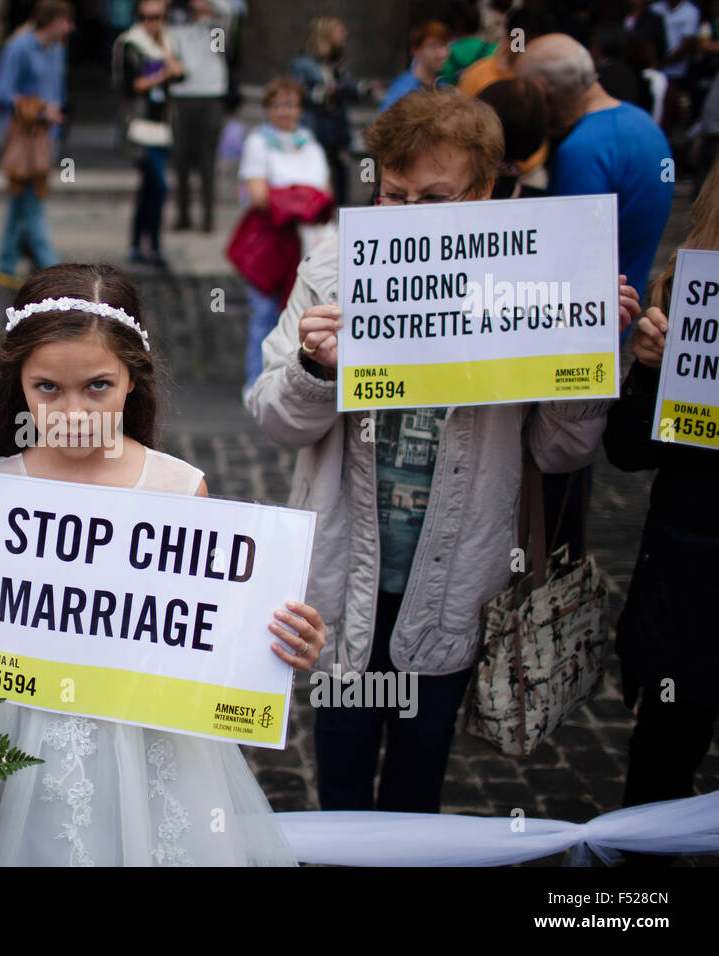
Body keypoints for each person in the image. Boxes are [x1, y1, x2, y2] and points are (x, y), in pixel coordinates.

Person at [246, 90, 624, 814]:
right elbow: (274, 418)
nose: (411, 216)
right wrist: (316, 369)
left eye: (436, 197)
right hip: (343, 581)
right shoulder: (331, 266)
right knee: (342, 773)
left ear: (484, 190)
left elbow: (561, 449)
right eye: (395, 195)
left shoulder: (530, 278)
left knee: (419, 781)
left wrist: (587, 358)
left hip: (458, 584)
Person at [0, 262, 325, 865]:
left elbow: (207, 631)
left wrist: (284, 646)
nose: (73, 412)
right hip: (21, 739)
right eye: (46, 389)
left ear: (132, 378)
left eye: (97, 386)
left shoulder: (177, 491)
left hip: (150, 746)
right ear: (19, 385)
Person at [603, 159, 719, 819]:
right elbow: (626, 450)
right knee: (662, 767)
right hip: (691, 582)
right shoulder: (689, 288)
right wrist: (648, 373)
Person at [516, 33, 673, 304]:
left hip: (589, 322)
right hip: (623, 312)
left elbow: (567, 254)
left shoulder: (580, 151)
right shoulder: (645, 124)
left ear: (543, 91)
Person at [236, 77, 330, 400]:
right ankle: (254, 382)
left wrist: (295, 198)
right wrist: (303, 199)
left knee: (297, 312)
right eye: (277, 105)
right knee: (263, 312)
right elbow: (258, 194)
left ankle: (286, 382)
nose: (284, 111)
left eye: (290, 104)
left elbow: (325, 194)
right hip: (272, 239)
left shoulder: (311, 144)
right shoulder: (258, 143)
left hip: (306, 241)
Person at [0, 0, 74, 290]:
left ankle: (6, 263)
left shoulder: (57, 51)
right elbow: (1, 92)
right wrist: (39, 111)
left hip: (45, 137)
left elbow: (57, 92)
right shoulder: (20, 47)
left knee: (21, 202)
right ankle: (49, 266)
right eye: (65, 21)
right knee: (31, 201)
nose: (69, 28)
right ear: (51, 21)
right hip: (23, 139)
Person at [115, 0, 184, 269]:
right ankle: (151, 245)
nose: (151, 22)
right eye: (145, 17)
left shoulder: (167, 42)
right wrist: (163, 74)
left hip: (162, 126)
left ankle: (139, 244)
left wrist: (167, 68)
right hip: (140, 126)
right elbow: (131, 85)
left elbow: (181, 73)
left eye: (156, 17)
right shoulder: (130, 44)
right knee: (159, 185)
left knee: (149, 189)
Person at [169, 0, 230, 233]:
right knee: (181, 158)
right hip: (183, 95)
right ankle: (183, 214)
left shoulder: (216, 29)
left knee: (207, 161)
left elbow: (227, 11)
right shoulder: (177, 25)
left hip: (211, 94)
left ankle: (208, 216)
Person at [290, 16, 362, 207]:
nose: (343, 35)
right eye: (339, 31)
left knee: (340, 175)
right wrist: (325, 93)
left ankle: (339, 215)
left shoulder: (338, 62)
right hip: (315, 125)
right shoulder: (303, 64)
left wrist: (361, 89)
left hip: (337, 126)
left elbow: (345, 90)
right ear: (325, 34)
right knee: (317, 172)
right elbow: (297, 94)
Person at [458, 6, 557, 98]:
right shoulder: (478, 74)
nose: (528, 51)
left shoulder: (551, 85)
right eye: (522, 43)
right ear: (508, 37)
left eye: (535, 45)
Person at [378, 20, 450, 112]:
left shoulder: (442, 84)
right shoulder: (403, 88)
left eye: (445, 45)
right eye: (433, 47)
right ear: (416, 51)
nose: (442, 53)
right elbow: (384, 120)